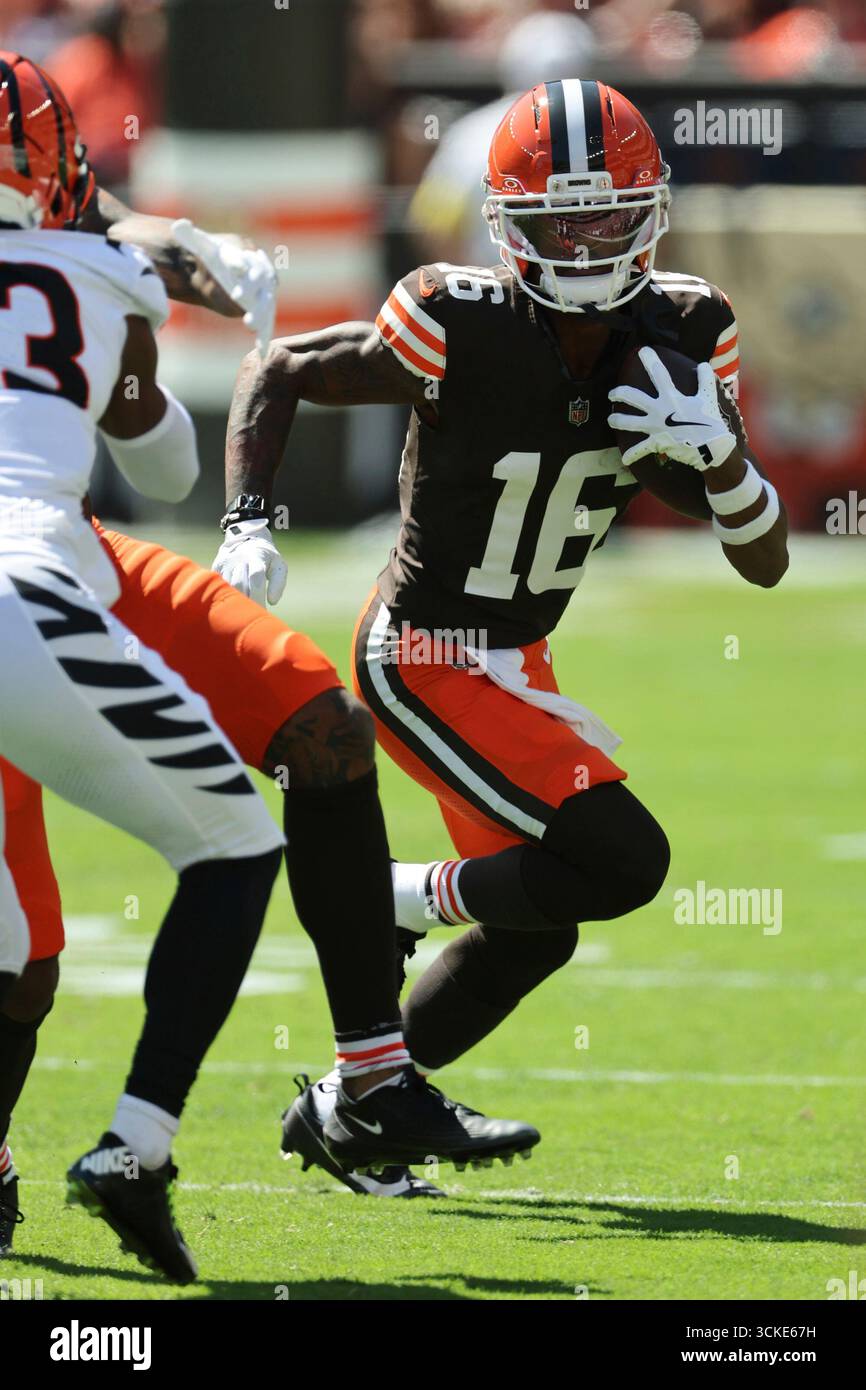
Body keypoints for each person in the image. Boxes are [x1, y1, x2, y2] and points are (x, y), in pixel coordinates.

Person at [0, 54, 541, 1268]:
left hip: (70, 554)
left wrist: (149, 249)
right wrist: (151, 271)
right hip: (29, 573)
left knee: (321, 733)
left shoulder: (85, 251)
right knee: (22, 960)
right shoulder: (86, 257)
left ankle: (372, 1080)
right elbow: (164, 464)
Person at [214, 78, 788, 1163]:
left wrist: (720, 461)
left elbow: (761, 561)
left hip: (513, 654)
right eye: (557, 218)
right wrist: (247, 519)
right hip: (421, 650)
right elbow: (277, 365)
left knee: (538, 927)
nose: (584, 241)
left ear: (649, 211)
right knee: (623, 857)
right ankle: (396, 899)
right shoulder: (454, 318)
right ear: (507, 225)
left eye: (606, 215)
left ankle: (354, 1112)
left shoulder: (687, 326)